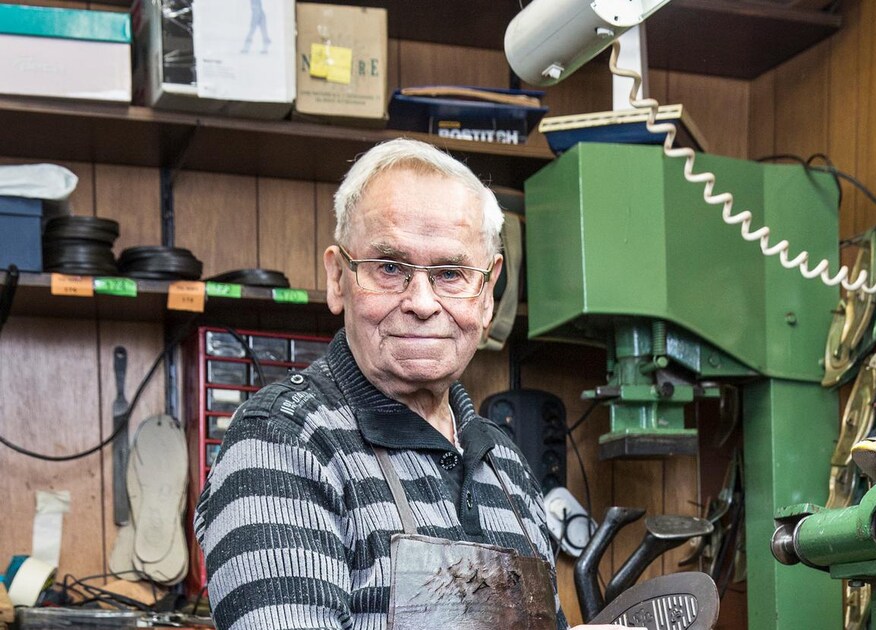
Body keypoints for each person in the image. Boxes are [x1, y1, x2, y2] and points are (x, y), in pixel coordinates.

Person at [195, 138, 625, 629]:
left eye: (450, 273)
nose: (422, 302)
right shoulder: (282, 443)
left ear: (486, 295)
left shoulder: (505, 465)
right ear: (338, 279)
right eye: (391, 268)